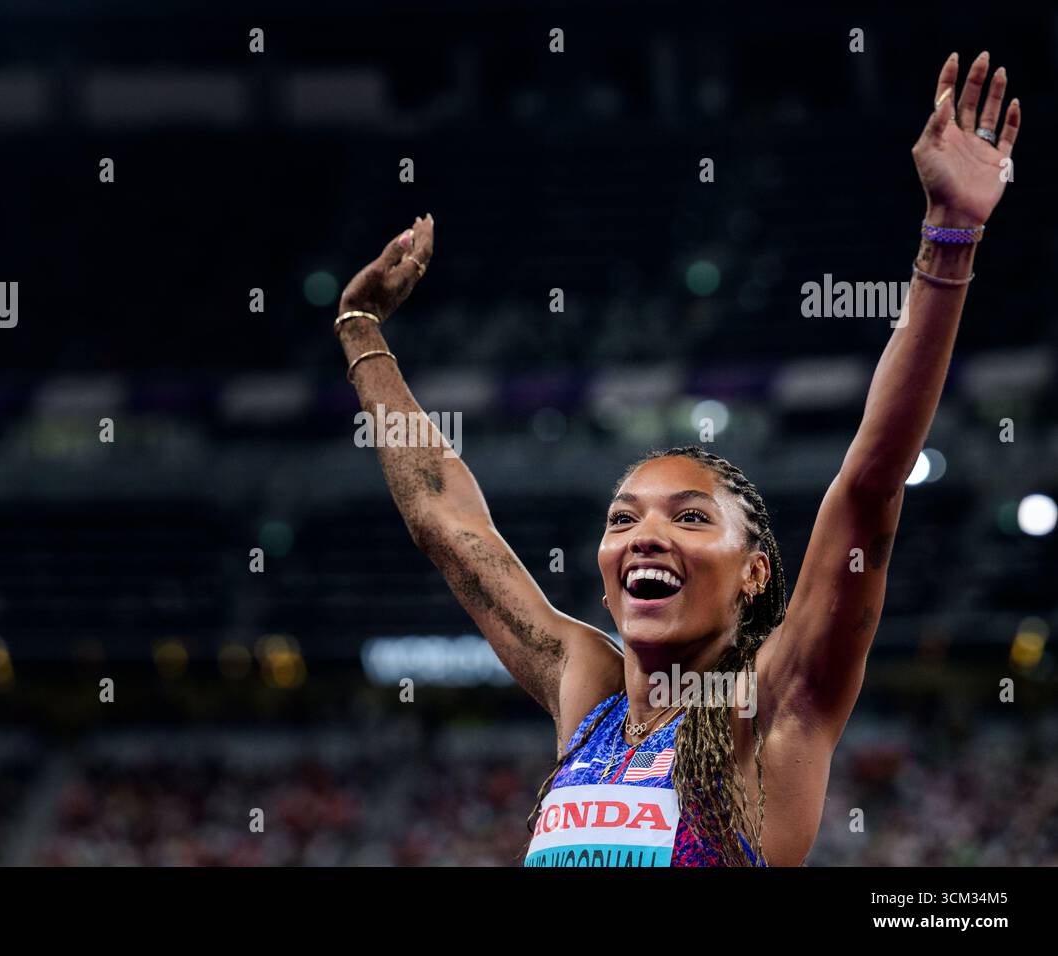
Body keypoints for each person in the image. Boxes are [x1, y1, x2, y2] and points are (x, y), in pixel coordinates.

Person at [332, 50, 1019, 866]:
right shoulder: (583, 689)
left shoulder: (775, 706)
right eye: (623, 519)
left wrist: (949, 243)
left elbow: (871, 484)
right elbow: (449, 525)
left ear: (755, 572)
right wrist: (360, 330)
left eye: (690, 517)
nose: (644, 535)